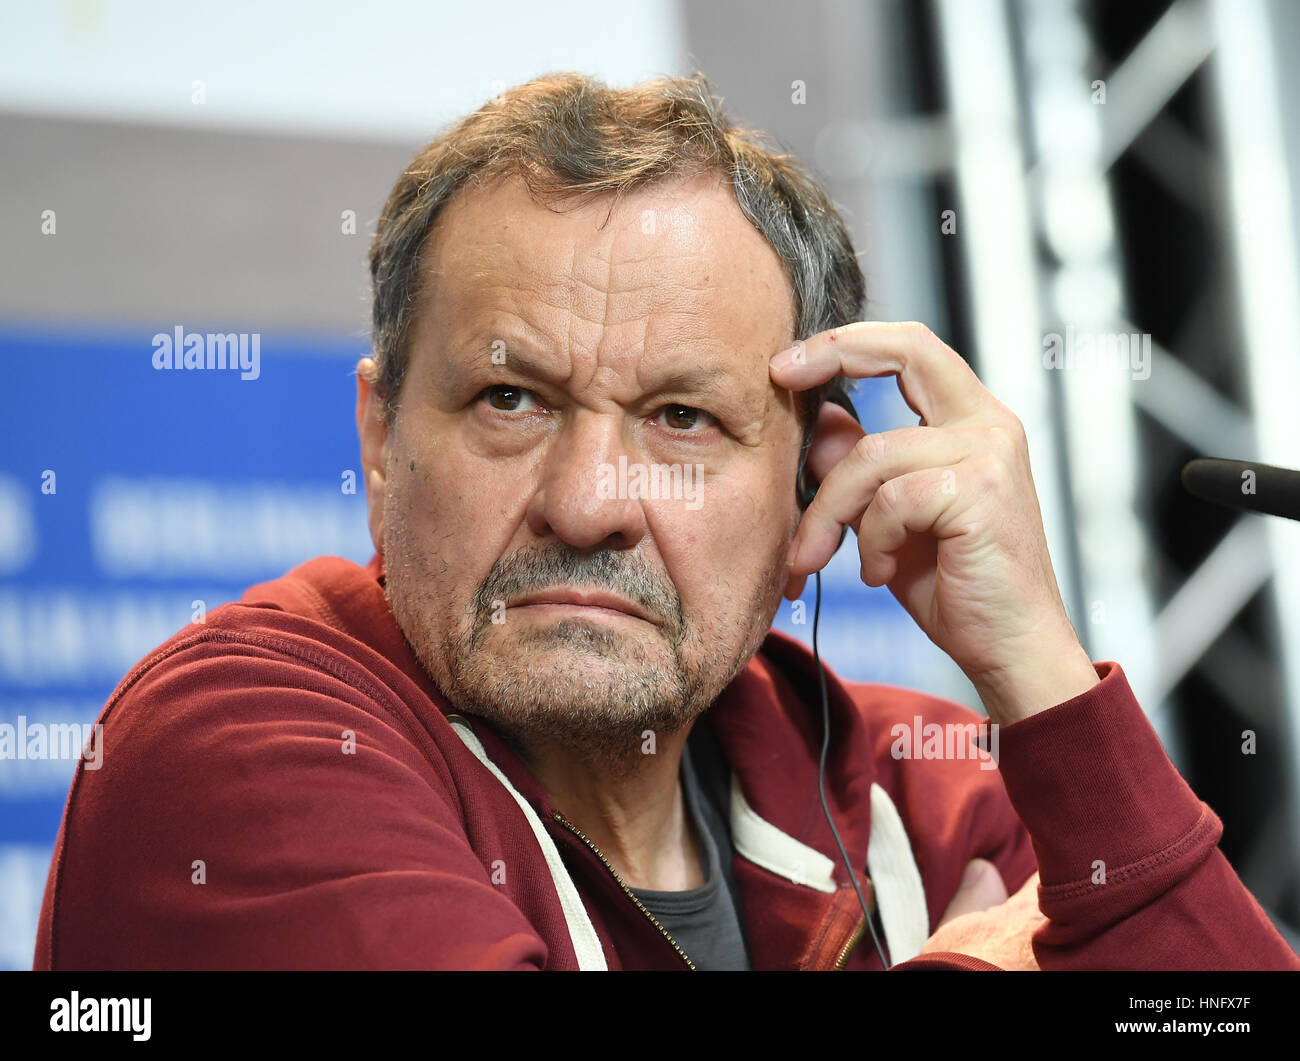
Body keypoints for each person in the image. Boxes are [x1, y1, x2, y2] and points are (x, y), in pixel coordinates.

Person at [34, 72, 1299, 970]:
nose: (588, 503)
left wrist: (1040, 674)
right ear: (380, 438)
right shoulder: (240, 740)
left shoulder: (930, 787)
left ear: (814, 476)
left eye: (682, 419)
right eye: (510, 398)